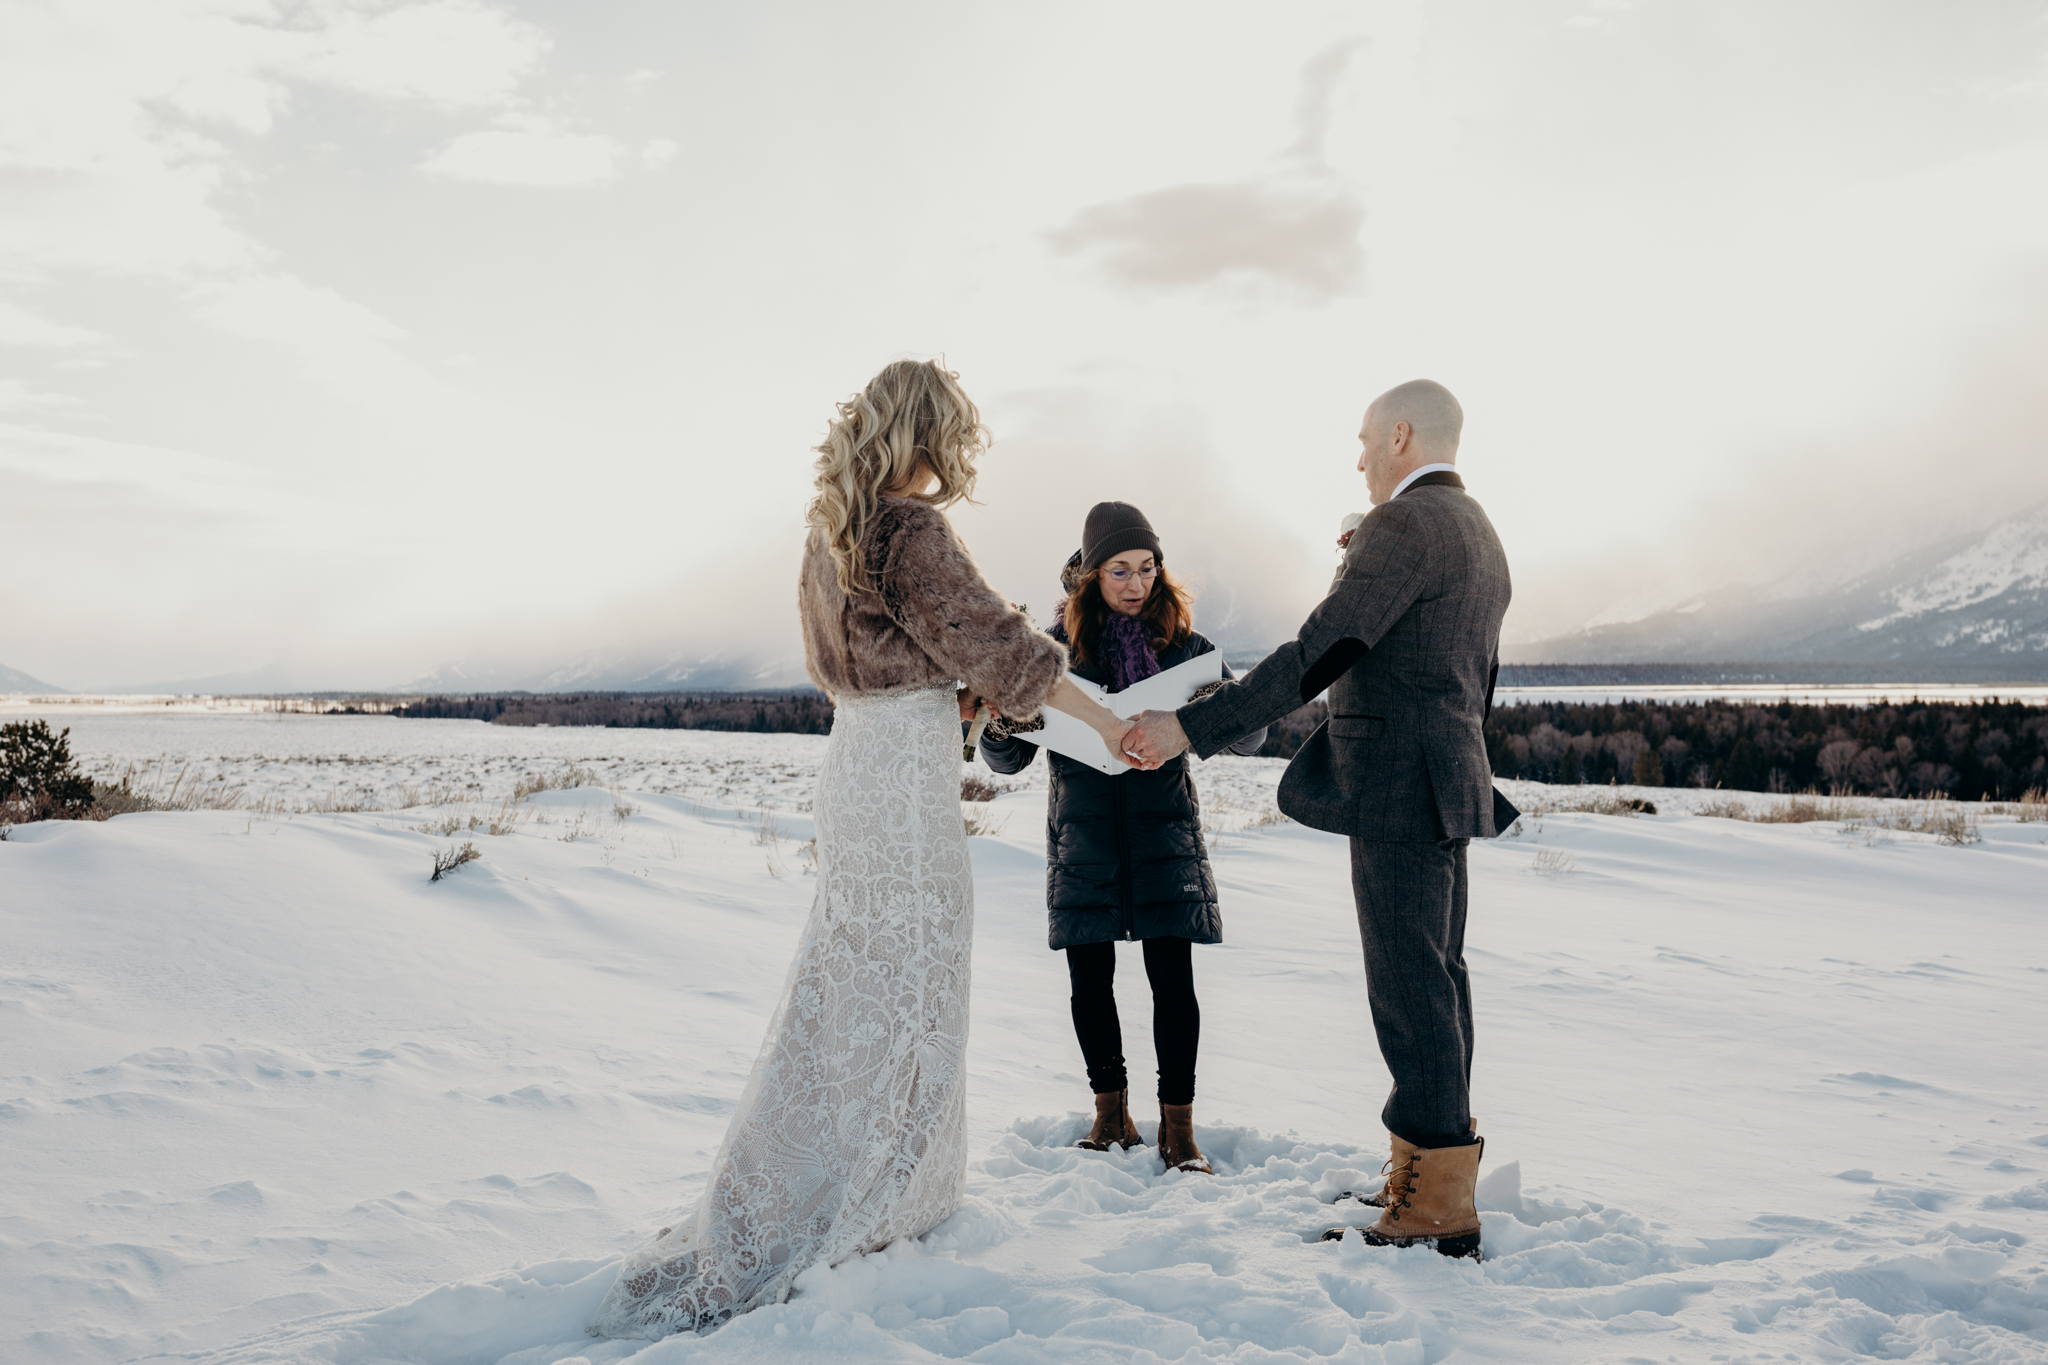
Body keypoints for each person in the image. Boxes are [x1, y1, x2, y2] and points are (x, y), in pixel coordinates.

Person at [589, 360, 1135, 1339]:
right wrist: (1109, 722)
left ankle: (815, 1193)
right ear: (927, 435)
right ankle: (881, 1206)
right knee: (910, 989)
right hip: (902, 790)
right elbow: (1005, 652)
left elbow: (893, 653)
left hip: (858, 769)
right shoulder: (909, 527)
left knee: (845, 998)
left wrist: (953, 687)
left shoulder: (830, 529)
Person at [1121, 379, 1516, 1260]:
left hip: (1398, 785)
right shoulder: (1476, 528)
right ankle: (1427, 1165)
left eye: (1368, 440)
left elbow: (1320, 648)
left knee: (1408, 988)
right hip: (1446, 776)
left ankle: (1434, 1208)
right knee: (1436, 978)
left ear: (1403, 435)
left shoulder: (1405, 526)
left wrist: (1190, 724)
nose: (1362, 458)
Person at [977, 503, 1265, 1176]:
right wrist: (998, 726)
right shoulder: (1050, 655)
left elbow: (1251, 736)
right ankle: (1110, 1117)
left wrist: (1211, 706)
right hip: (1085, 839)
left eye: (1147, 568)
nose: (1136, 584)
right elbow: (1007, 760)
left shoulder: (1186, 648)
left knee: (1174, 980)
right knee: (1089, 980)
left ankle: (1179, 1130)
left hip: (1164, 835)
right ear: (1090, 575)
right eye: (1120, 570)